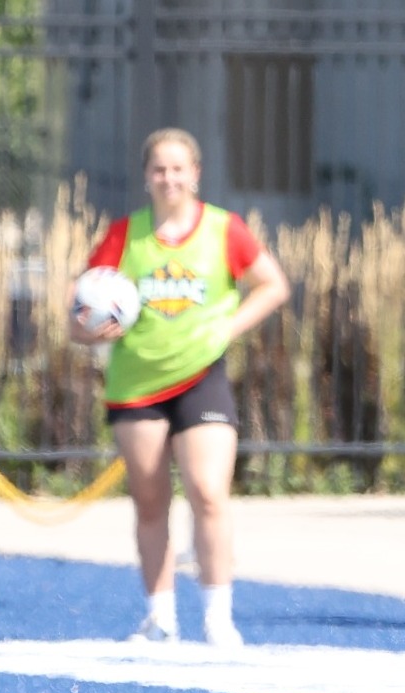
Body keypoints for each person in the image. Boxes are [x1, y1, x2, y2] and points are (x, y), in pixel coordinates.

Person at [67, 128, 288, 646]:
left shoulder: (224, 229)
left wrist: (228, 327)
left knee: (209, 493)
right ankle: (160, 617)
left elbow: (273, 284)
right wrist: (89, 330)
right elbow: (77, 314)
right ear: (146, 176)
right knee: (150, 500)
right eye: (159, 169)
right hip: (137, 384)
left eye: (178, 169)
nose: (169, 178)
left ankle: (218, 617)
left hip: (201, 377)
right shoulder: (125, 235)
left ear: (196, 174)